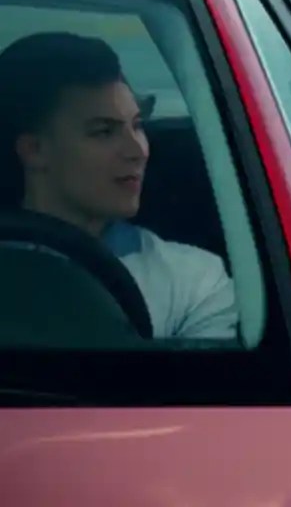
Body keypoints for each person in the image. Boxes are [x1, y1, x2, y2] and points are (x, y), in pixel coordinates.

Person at [0, 31, 239, 341]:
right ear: (34, 150)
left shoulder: (192, 279)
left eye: (137, 126)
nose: (136, 150)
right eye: (103, 132)